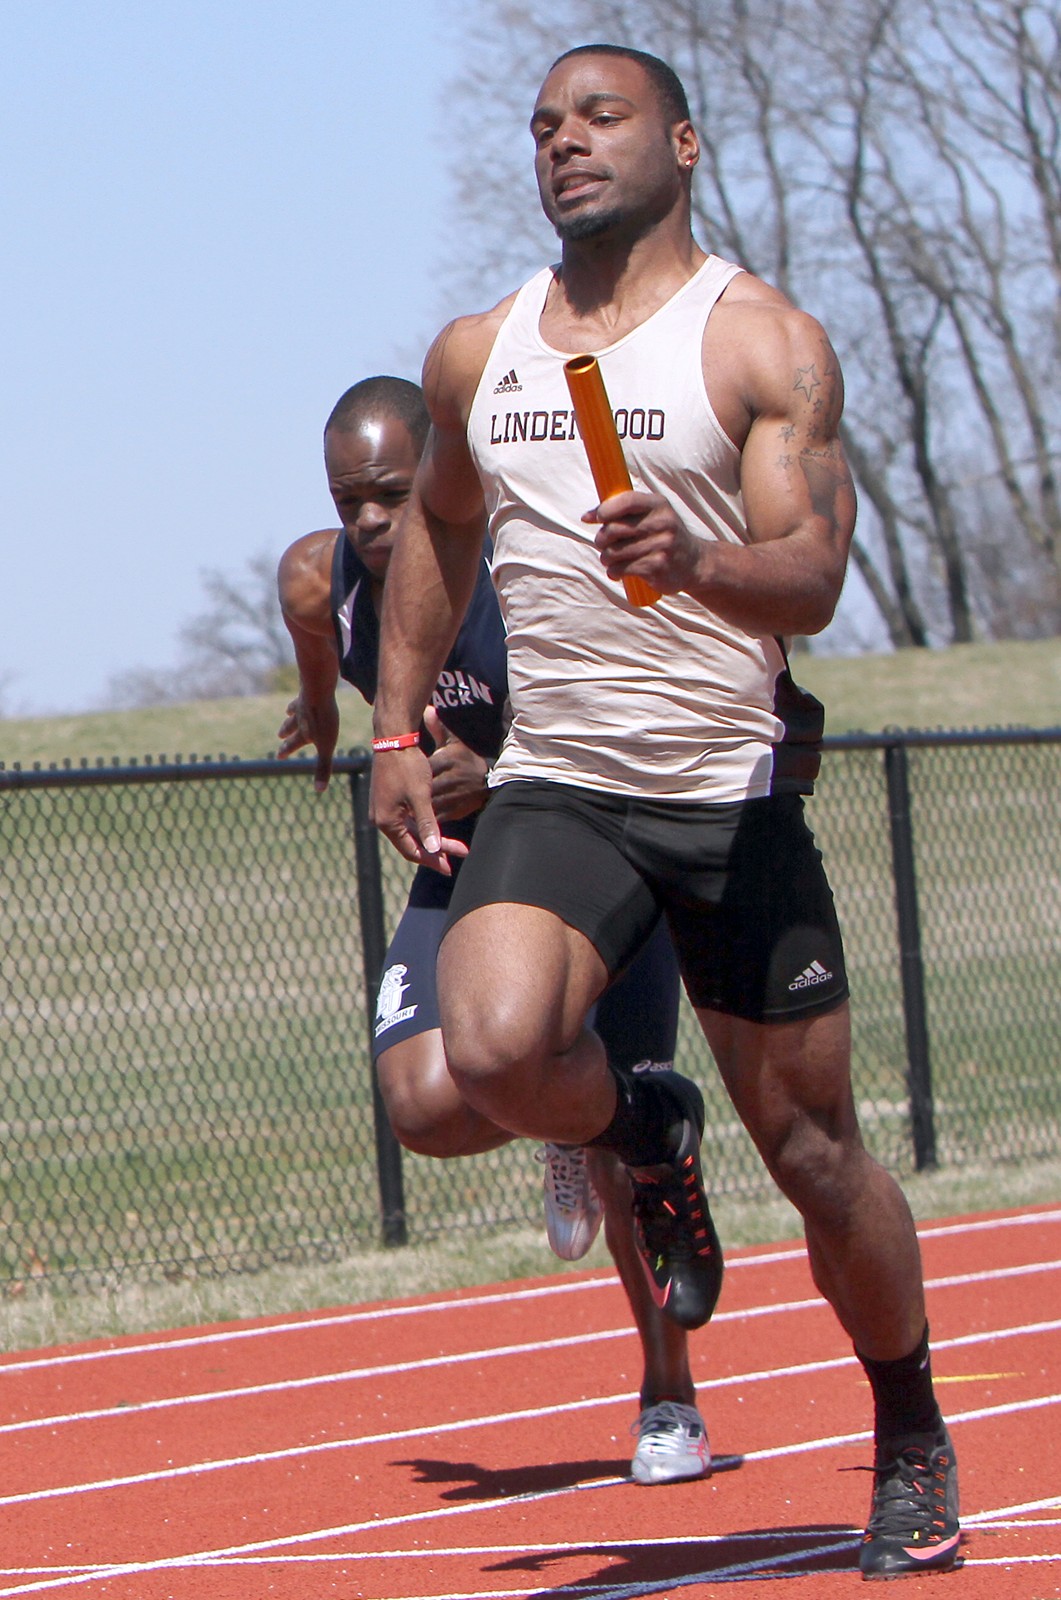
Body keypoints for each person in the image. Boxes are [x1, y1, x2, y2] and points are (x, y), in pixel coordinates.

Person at [369, 45, 960, 1580]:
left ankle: (908, 1429)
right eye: (545, 126)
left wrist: (695, 559)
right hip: (566, 783)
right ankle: (643, 1125)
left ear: (682, 144)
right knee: (489, 1049)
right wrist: (390, 723)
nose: (565, 142)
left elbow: (814, 580)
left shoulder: (759, 343)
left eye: (601, 117)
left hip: (726, 795)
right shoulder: (478, 353)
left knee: (819, 1157)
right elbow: (437, 524)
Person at [276, 374, 714, 1486]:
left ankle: (669, 1398)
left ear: (440, 475)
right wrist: (322, 706)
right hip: (456, 862)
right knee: (421, 1103)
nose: (370, 521)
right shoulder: (322, 575)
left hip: (587, 859)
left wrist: (507, 768)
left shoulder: (520, 565)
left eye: (389, 492)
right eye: (348, 499)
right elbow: (309, 618)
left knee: (628, 1174)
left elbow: (625, 708)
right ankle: (564, 1110)